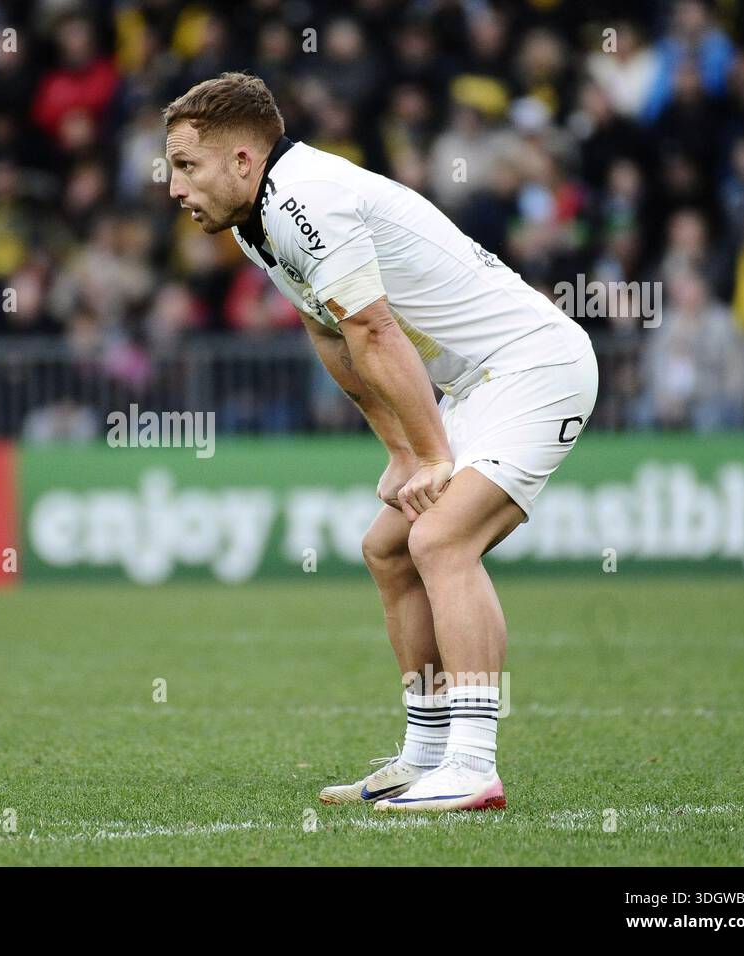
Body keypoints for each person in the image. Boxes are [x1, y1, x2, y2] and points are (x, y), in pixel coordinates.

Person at [164, 72, 597, 812]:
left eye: (185, 165)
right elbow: (331, 331)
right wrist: (402, 449)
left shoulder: (309, 200)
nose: (173, 185)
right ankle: (425, 754)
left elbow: (375, 329)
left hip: (535, 366)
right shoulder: (254, 221)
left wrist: (430, 454)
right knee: (388, 548)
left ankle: (473, 765)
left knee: (438, 542)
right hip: (476, 386)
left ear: (242, 160)